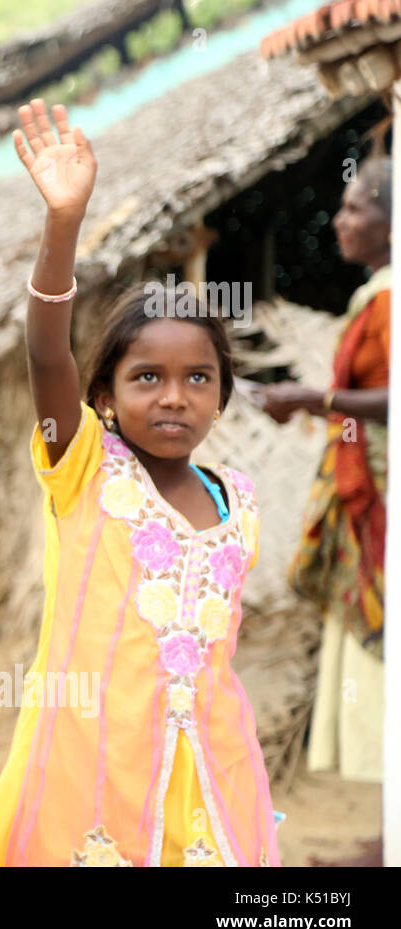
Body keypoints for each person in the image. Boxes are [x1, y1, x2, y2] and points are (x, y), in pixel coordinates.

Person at [0, 100, 279, 866]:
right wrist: (64, 221)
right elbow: (46, 353)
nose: (173, 395)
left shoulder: (238, 502)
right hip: (95, 765)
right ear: (103, 396)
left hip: (213, 767)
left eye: (197, 378)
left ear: (220, 397)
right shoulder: (84, 469)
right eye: (147, 377)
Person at [259, 156, 389, 864]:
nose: (341, 221)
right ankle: (380, 842)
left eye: (356, 209)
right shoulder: (376, 295)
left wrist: (314, 401)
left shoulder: (392, 298)